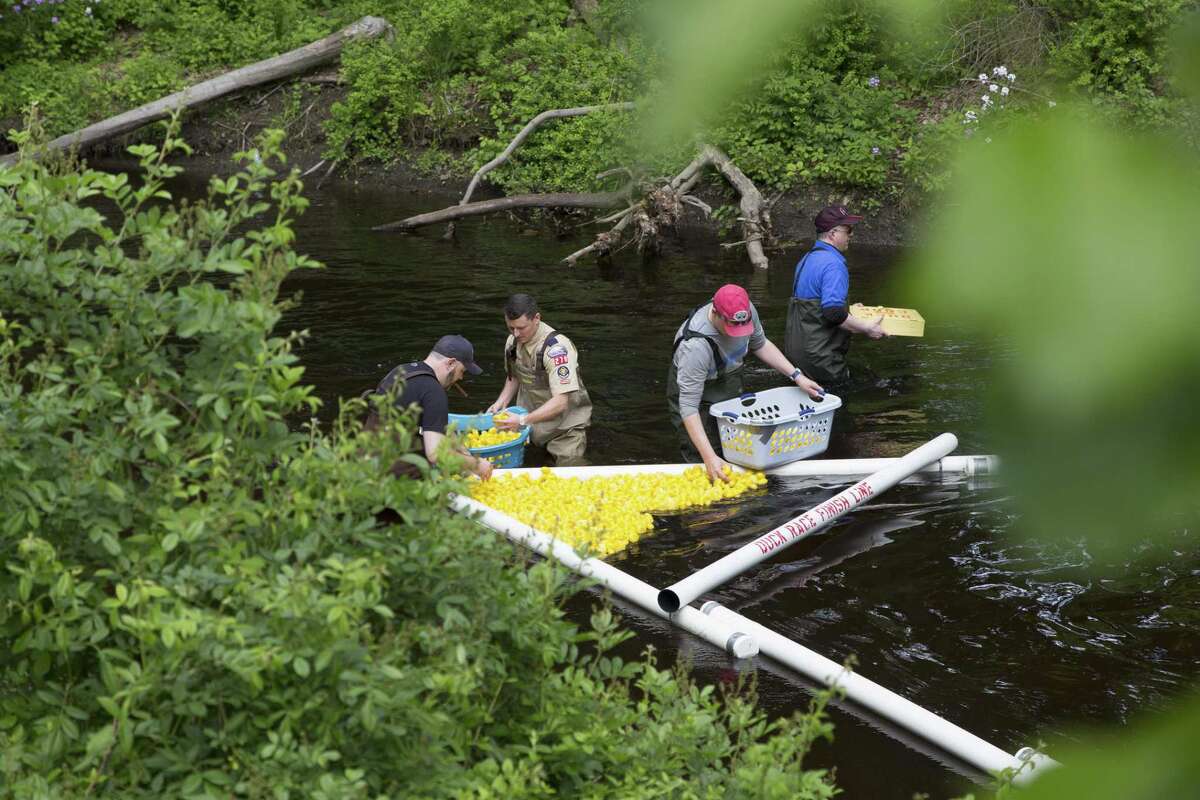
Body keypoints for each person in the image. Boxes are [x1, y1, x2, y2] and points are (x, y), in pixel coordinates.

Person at [667, 284, 824, 483]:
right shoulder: (695, 347)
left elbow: (760, 343)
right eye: (733, 327)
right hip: (695, 392)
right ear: (715, 314)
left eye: (743, 327)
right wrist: (709, 458)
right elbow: (688, 407)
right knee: (707, 457)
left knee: (738, 446)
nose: (740, 334)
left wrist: (797, 376)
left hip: (730, 377)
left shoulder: (746, 310)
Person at [784, 205, 887, 391]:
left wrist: (850, 310)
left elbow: (816, 306)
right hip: (822, 360)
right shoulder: (833, 264)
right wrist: (867, 328)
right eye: (848, 230)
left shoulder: (807, 259)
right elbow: (832, 312)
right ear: (833, 233)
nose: (851, 235)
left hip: (795, 358)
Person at [367, 334, 493, 480]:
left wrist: (462, 452)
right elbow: (435, 454)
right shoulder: (433, 391)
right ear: (451, 363)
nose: (460, 378)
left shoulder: (402, 371)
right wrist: (476, 464)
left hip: (365, 464)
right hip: (394, 481)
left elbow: (438, 424)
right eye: (462, 371)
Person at [487, 293, 592, 466]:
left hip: (564, 429)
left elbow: (561, 402)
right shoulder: (512, 342)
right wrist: (500, 403)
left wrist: (521, 420)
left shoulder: (557, 349)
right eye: (510, 327)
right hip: (531, 426)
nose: (516, 333)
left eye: (521, 328)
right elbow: (514, 377)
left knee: (570, 475)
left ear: (536, 318)